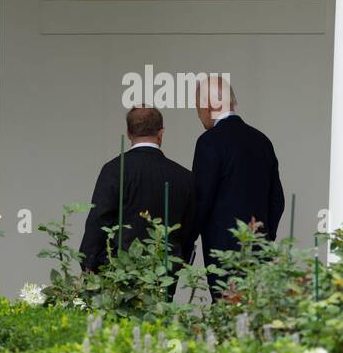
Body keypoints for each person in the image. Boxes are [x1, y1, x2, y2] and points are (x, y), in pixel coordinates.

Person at [79, 106, 197, 273]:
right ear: (161, 133)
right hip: (163, 272)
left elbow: (99, 219)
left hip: (120, 271)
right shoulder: (184, 177)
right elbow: (189, 229)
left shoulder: (114, 170)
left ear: (128, 133)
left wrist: (89, 262)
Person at [191, 75, 285, 281]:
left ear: (208, 106)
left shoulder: (209, 142)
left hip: (223, 255)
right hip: (258, 250)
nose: (199, 115)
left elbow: (201, 200)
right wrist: (265, 238)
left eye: (198, 108)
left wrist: (186, 242)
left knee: (226, 308)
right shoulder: (262, 141)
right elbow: (277, 200)